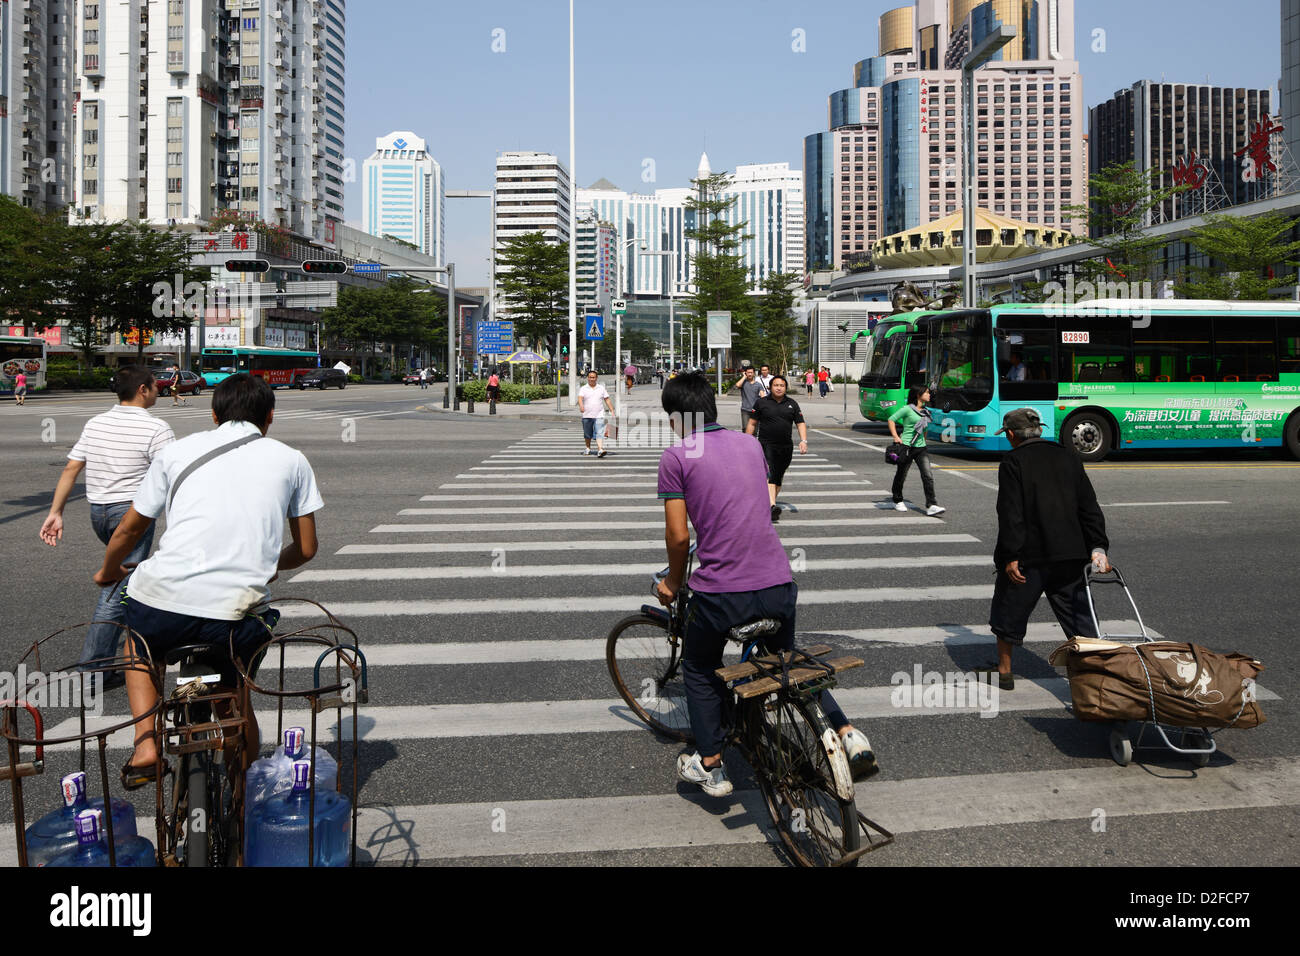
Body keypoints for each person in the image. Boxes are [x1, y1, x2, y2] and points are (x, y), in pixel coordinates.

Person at [92, 373, 323, 790]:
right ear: (270, 416)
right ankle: (244, 798)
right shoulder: (292, 460)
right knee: (236, 700)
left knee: (137, 645)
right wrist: (269, 565)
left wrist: (108, 571)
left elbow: (128, 530)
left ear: (214, 415)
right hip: (234, 617)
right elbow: (306, 548)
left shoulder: (178, 451)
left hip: (161, 604)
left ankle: (146, 746)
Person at [656, 372, 877, 796]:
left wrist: (672, 581)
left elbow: (679, 537)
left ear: (677, 418)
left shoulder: (677, 456)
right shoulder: (749, 444)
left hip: (721, 593)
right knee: (788, 662)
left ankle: (711, 764)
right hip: (778, 583)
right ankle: (847, 732)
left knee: (700, 669)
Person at [40, 366, 175, 685]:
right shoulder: (156, 428)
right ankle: (93, 669)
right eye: (156, 385)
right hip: (130, 515)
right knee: (116, 587)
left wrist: (56, 512)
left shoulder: (97, 422)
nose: (159, 390)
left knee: (127, 583)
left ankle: (128, 650)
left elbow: (72, 468)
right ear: (143, 389)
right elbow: (173, 475)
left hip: (98, 512)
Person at [988, 407, 1110, 691]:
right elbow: (1089, 506)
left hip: (1030, 556)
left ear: (1010, 434)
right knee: (1079, 617)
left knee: (1008, 612)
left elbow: (1011, 514)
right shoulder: (1069, 455)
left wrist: (1010, 556)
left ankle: (1004, 673)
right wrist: (1098, 546)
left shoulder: (1013, 461)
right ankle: (1097, 679)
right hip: (1071, 553)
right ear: (1039, 430)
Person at [745, 376, 807, 523]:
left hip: (786, 446)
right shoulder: (761, 403)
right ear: (770, 387)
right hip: (766, 444)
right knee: (770, 474)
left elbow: (800, 423)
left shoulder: (792, 404)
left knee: (778, 477)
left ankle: (768, 505)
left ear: (785, 387)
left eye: (782, 385)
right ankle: (772, 506)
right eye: (776, 385)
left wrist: (803, 440)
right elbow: (752, 423)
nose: (779, 388)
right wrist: (747, 442)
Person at [887, 386, 945, 517]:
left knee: (928, 475)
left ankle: (931, 505)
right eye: (927, 392)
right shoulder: (907, 409)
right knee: (901, 475)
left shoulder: (925, 411)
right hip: (907, 446)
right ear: (919, 395)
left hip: (921, 448)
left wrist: (923, 441)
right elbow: (891, 419)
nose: (929, 395)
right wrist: (896, 436)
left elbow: (924, 430)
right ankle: (897, 500)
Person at [577, 369, 615, 458]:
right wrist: (581, 406)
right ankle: (588, 448)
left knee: (599, 432)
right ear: (587, 378)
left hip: (599, 415)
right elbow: (580, 398)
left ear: (596, 378)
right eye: (590, 377)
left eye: (593, 377)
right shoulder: (583, 388)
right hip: (587, 415)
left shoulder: (601, 388)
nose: (592, 379)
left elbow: (607, 399)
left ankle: (600, 449)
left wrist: (612, 410)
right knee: (587, 434)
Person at [733, 365, 765, 432]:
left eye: (751, 372)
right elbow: (737, 385)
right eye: (748, 372)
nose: (750, 374)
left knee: (755, 430)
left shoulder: (758, 385)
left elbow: (763, 397)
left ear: (754, 373)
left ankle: (753, 442)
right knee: (745, 429)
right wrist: (744, 377)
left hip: (755, 410)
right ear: (745, 373)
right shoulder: (743, 383)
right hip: (745, 410)